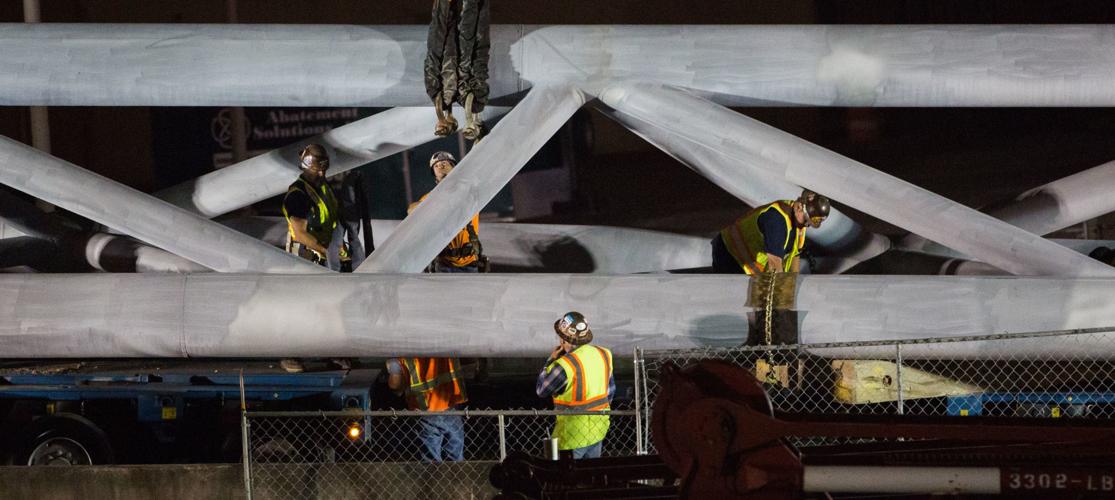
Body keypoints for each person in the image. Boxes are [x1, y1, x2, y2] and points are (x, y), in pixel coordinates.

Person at [279, 144, 347, 373]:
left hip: (323, 251)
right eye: (318, 168)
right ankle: (290, 354)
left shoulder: (322, 188)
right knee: (300, 305)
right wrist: (324, 249)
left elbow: (330, 219)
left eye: (324, 168)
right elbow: (299, 232)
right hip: (304, 255)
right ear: (307, 165)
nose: (321, 173)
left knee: (328, 304)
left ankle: (330, 353)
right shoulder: (297, 194)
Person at [536, 311, 614, 459]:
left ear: (564, 340)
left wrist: (550, 361)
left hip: (572, 435)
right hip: (598, 429)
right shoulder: (604, 354)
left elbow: (541, 390)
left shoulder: (565, 365)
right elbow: (610, 391)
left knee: (566, 479)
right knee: (592, 477)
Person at [712, 189, 830, 275]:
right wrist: (781, 301)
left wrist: (792, 286)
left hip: (749, 262)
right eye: (808, 220)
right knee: (733, 301)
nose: (808, 224)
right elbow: (774, 265)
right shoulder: (777, 221)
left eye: (812, 221)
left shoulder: (800, 222)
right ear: (799, 207)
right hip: (730, 255)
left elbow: (795, 255)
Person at [409, 151, 485, 273]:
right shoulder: (430, 198)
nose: (440, 166)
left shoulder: (469, 190)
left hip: (470, 264)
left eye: (444, 163)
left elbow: (481, 162)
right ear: (433, 173)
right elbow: (411, 211)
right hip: (444, 265)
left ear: (454, 168)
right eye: (436, 165)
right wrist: (429, 204)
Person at [425, 0, 490, 140]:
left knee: (441, 30)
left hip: (448, 57)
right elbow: (479, 67)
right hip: (462, 58)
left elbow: (431, 67)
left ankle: (447, 4)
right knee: (468, 30)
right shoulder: (474, 101)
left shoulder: (441, 97)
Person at [386, 357, 468, 462]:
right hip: (449, 404)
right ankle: (456, 476)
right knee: (455, 456)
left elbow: (395, 384)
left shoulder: (398, 351)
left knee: (431, 459)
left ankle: (434, 476)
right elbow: (470, 361)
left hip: (424, 409)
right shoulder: (445, 342)